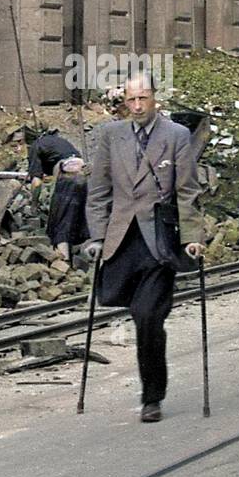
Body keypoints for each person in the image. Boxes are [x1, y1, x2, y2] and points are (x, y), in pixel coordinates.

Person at [83, 72, 203, 423]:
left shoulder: (176, 136)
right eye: (131, 100)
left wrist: (192, 236)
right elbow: (99, 191)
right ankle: (151, 383)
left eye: (143, 99)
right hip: (122, 241)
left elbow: (188, 191)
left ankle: (152, 396)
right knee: (135, 313)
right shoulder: (110, 135)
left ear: (155, 99)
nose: (136, 106)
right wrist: (97, 237)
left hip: (158, 241)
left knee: (148, 317)